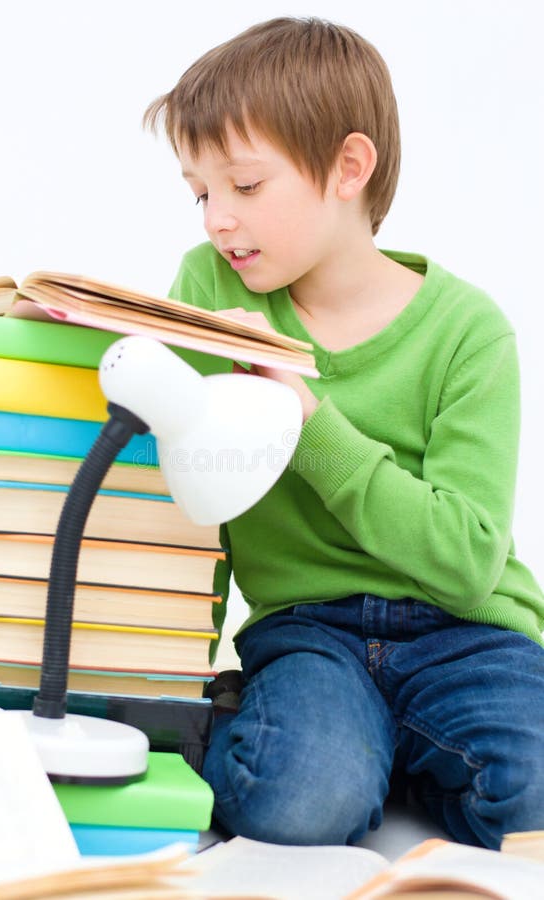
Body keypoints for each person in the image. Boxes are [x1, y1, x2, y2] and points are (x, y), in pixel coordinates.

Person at [143, 16, 544, 849]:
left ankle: (391, 755)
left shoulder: (469, 332)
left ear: (347, 169)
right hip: (307, 627)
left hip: (466, 633)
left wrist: (309, 420)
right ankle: (324, 745)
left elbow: (468, 559)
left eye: (245, 187)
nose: (217, 219)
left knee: (536, 791)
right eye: (199, 192)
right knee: (300, 802)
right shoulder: (211, 288)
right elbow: (176, 467)